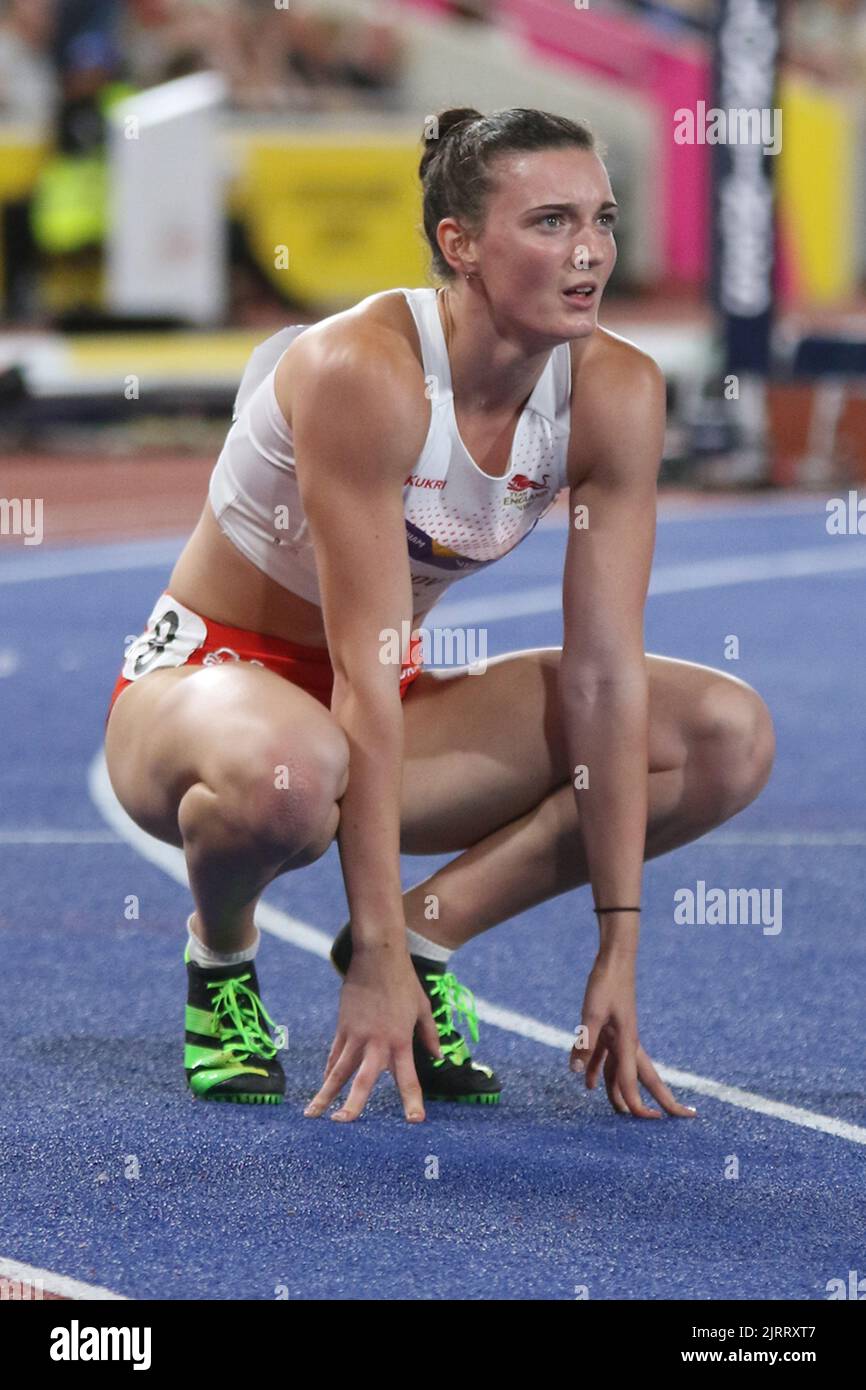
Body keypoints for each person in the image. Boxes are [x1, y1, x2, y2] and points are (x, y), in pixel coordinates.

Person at [104, 106, 775, 1123]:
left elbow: (602, 673)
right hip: (202, 696)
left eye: (600, 217)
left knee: (721, 737)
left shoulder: (616, 391)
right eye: (548, 222)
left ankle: (430, 934)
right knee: (292, 776)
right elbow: (360, 670)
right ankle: (223, 954)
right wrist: (362, 953)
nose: (588, 249)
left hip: (378, 702)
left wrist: (617, 946)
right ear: (458, 245)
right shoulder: (363, 371)